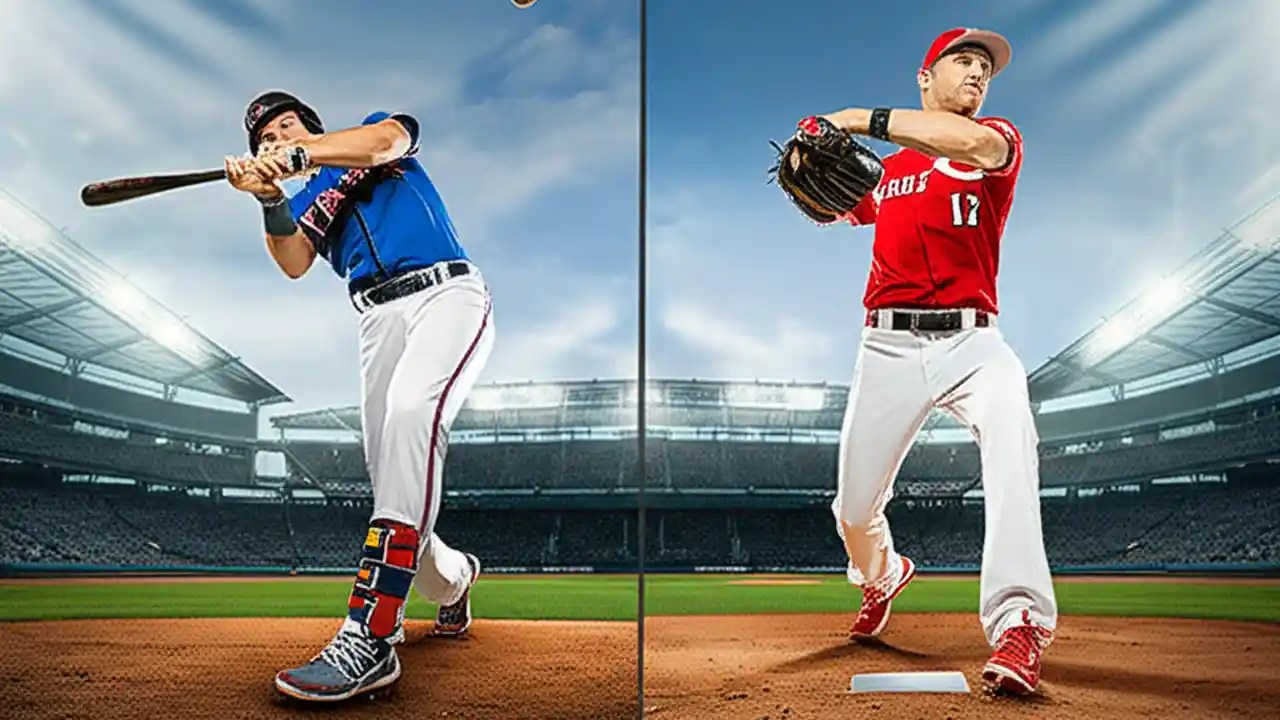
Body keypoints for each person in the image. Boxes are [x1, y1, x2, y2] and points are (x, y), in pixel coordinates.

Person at [225, 90, 495, 702]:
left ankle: (371, 635)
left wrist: (296, 154)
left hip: (444, 294)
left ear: (310, 128)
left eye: (284, 125)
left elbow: (386, 142)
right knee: (396, 485)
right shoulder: (303, 199)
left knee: (409, 417)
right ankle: (454, 582)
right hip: (375, 318)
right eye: (264, 138)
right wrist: (269, 195)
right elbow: (293, 261)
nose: (274, 137)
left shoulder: (368, 132)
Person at [812, 28, 1058, 695]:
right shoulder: (891, 172)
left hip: (973, 342)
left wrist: (859, 119)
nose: (978, 72)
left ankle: (1019, 623)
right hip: (886, 345)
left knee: (1012, 430)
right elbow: (833, 209)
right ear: (926, 77)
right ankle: (883, 575)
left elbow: (974, 144)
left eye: (986, 66)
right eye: (964, 60)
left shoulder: (994, 140)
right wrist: (812, 178)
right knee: (853, 511)